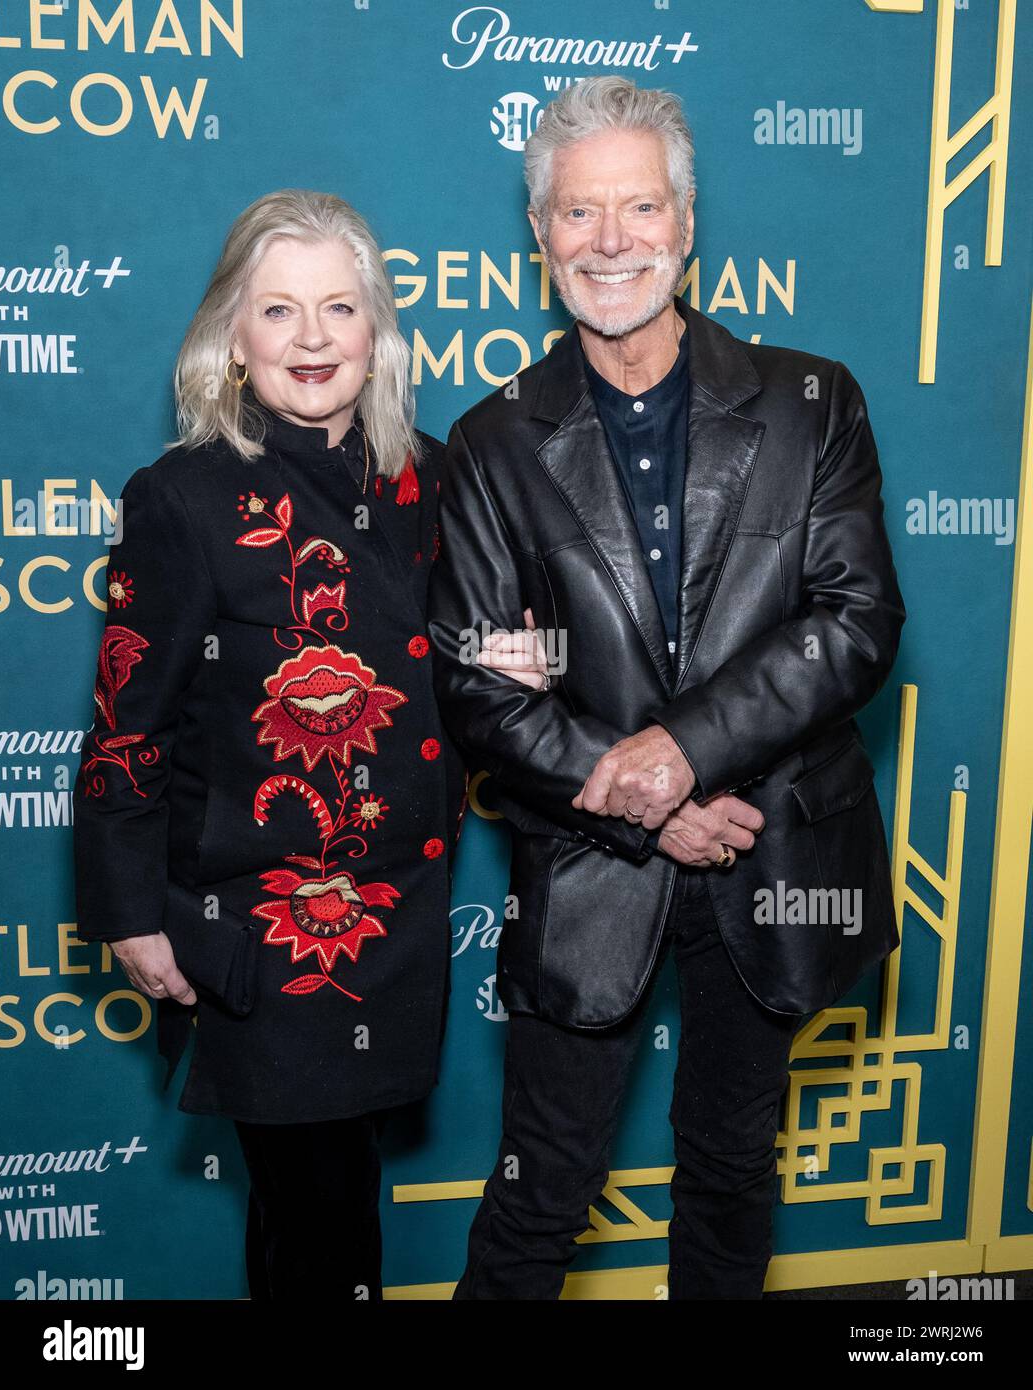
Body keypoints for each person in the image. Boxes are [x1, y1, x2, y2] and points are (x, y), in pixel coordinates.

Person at [427, 77, 906, 1300]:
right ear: (539, 238)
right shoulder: (487, 447)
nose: (610, 242)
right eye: (578, 215)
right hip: (591, 870)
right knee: (540, 1197)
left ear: (687, 224)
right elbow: (485, 692)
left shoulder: (811, 402)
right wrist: (648, 799)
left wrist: (678, 754)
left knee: (733, 1168)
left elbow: (853, 623)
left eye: (638, 208)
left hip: (775, 851)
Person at [71, 189, 544, 1302]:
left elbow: (460, 649)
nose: (314, 338)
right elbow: (124, 724)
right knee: (323, 1223)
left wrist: (524, 659)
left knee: (315, 1216)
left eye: (340, 307)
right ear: (230, 334)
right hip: (267, 927)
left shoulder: (431, 479)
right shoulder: (182, 498)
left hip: (395, 921)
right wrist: (132, 913)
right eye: (278, 312)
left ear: (376, 328)